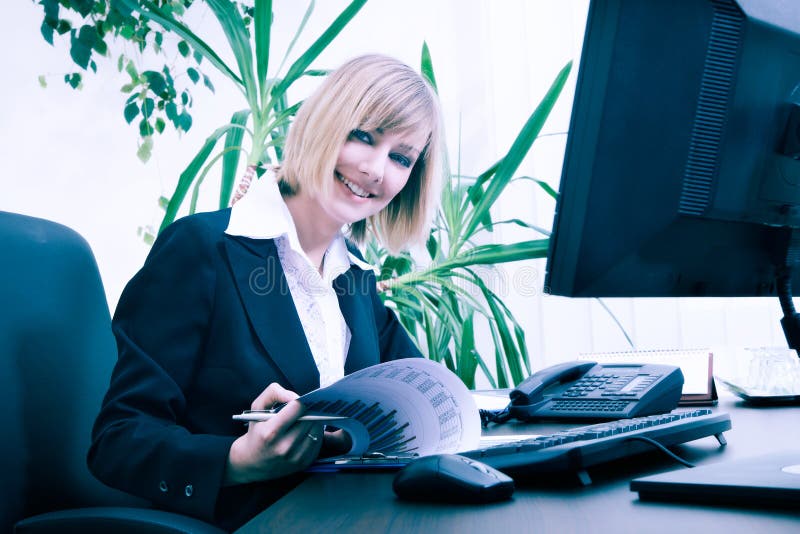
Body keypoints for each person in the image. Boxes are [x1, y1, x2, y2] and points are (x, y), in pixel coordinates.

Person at [87, 54, 444, 531]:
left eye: (401, 157)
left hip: (357, 516)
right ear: (324, 123)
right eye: (363, 135)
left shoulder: (357, 281)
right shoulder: (201, 250)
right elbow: (118, 439)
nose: (378, 170)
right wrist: (237, 459)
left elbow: (420, 401)